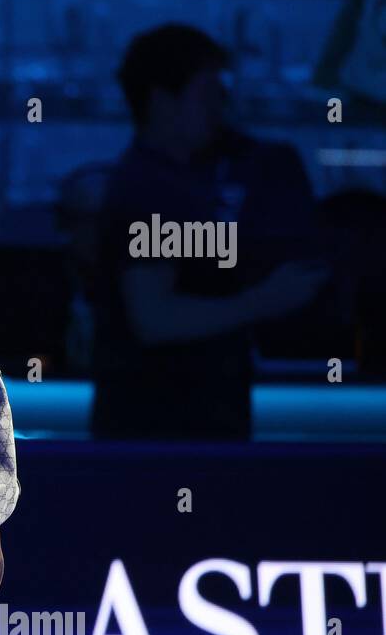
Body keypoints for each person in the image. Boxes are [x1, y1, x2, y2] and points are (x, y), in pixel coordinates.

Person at [91, 24, 330, 440]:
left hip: (208, 417)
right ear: (162, 100)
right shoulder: (148, 188)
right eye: (209, 93)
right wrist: (265, 299)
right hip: (153, 426)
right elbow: (156, 317)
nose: (221, 105)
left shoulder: (203, 176)